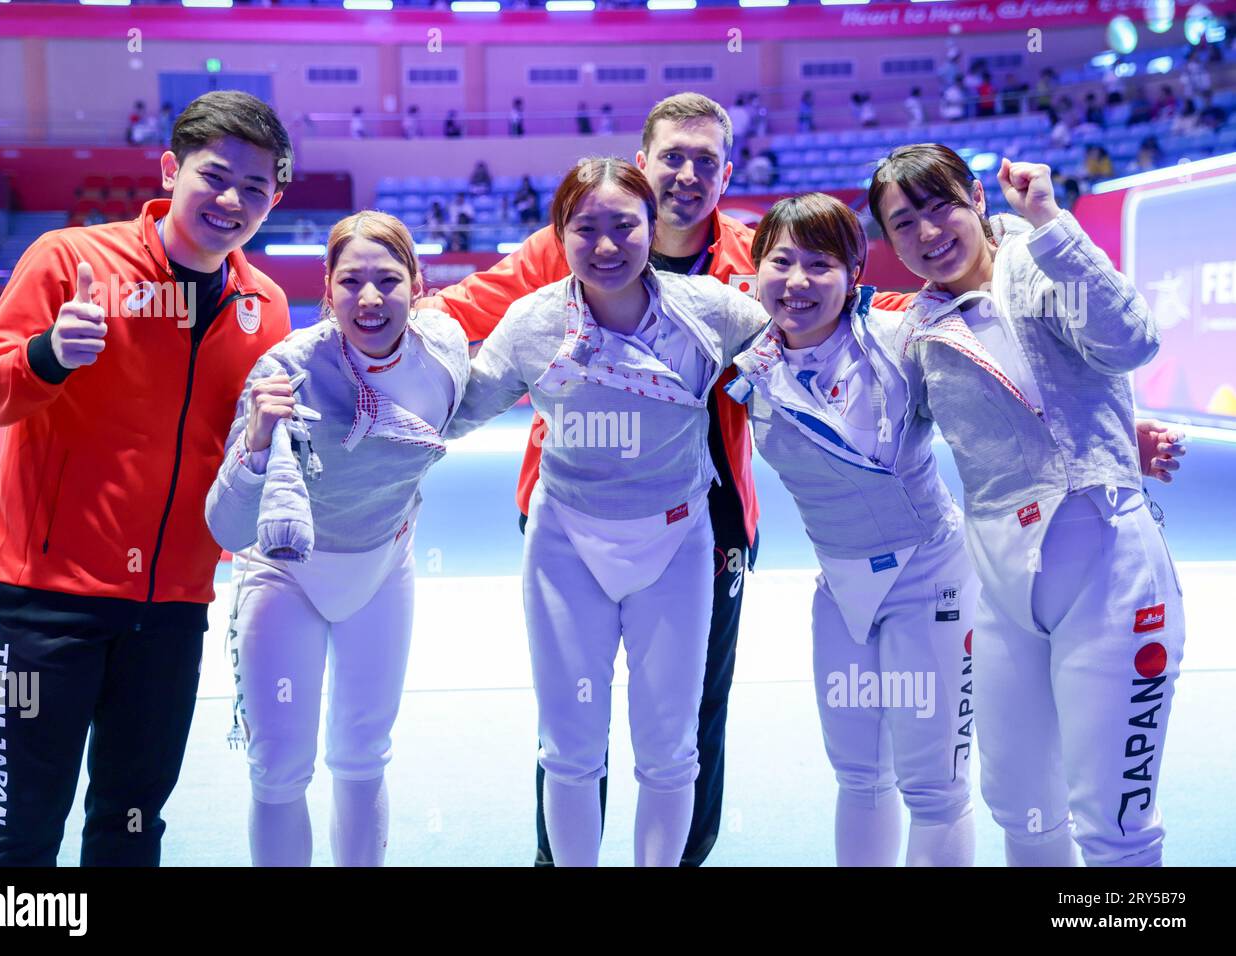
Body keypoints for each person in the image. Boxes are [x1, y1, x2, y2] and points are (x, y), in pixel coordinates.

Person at [417, 92, 914, 867]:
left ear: (726, 174)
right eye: (673, 157)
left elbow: (844, 314)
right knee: (571, 723)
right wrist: (369, 346)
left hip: (703, 513)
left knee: (688, 719)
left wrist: (958, 316)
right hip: (566, 507)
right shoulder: (565, 243)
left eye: (706, 161)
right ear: (643, 165)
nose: (688, 173)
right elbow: (463, 310)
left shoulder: (752, 265)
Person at [0, 90, 292, 866]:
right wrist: (48, 356)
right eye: (216, 175)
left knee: (131, 831)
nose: (233, 199)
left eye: (257, 187)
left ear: (274, 200)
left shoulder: (266, 305)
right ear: (171, 169)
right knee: (18, 835)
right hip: (42, 610)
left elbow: (244, 451)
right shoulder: (71, 261)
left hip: (170, 615)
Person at [446, 157, 768, 866]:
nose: (606, 244)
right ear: (558, 236)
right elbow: (456, 409)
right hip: (566, 549)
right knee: (568, 750)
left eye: (624, 225)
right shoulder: (533, 323)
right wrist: (365, 374)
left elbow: (809, 334)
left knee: (670, 750)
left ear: (654, 228)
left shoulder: (710, 310)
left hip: (678, 547)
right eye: (585, 227)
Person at [870, 144, 1187, 866]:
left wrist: (1049, 219)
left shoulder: (1044, 258)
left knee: (1114, 824)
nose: (928, 232)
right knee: (1023, 806)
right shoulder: (917, 329)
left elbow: (1131, 341)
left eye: (940, 205)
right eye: (904, 222)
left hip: (1109, 565)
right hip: (1001, 583)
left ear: (978, 197)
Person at [206, 211, 469, 867]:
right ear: (327, 289)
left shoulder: (445, 357)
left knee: (362, 756)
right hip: (284, 576)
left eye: (387, 279)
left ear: (418, 283)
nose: (370, 298)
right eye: (352, 281)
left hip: (383, 569)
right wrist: (258, 443)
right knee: (278, 769)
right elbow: (226, 527)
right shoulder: (284, 369)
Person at [727, 194, 980, 866]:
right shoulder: (747, 352)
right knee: (861, 776)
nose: (798, 282)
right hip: (841, 592)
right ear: (755, 270)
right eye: (782, 262)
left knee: (935, 787)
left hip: (933, 582)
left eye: (820, 265)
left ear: (855, 274)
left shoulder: (902, 337)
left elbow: (1006, 375)